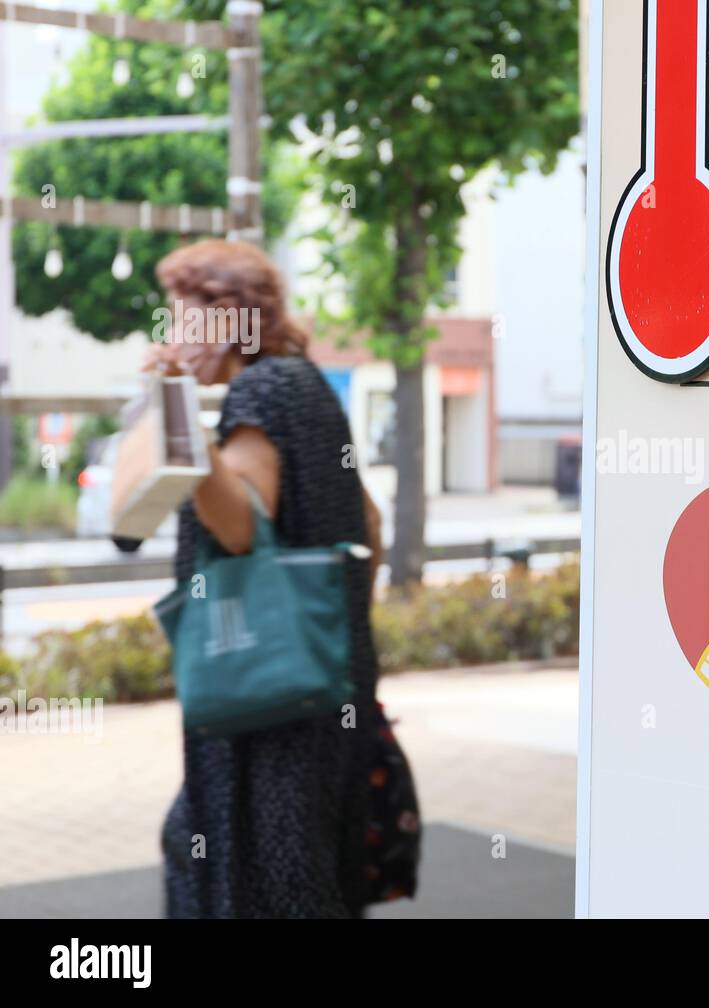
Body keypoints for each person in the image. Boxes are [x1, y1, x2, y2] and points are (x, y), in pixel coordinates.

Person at [150, 239, 386, 918]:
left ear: (225, 316)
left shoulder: (260, 389)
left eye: (180, 314)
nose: (172, 333)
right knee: (305, 864)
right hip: (322, 677)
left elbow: (242, 524)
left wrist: (174, 400)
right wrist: (338, 634)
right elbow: (370, 523)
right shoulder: (305, 383)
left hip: (268, 693)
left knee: (257, 874)